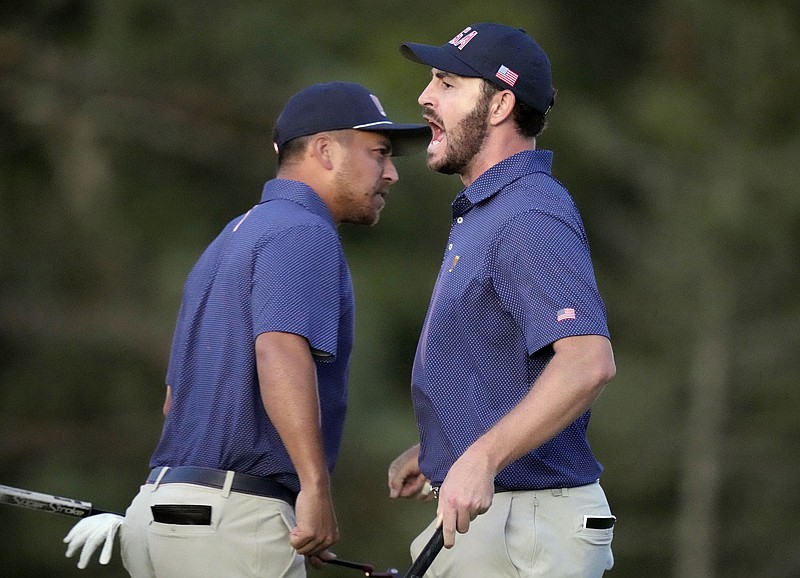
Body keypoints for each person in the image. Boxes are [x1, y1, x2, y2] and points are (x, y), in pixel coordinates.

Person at [62, 81, 430, 578]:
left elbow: (176, 398)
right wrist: (313, 493)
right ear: (325, 150)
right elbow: (278, 352)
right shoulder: (305, 230)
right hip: (230, 519)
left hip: (159, 514)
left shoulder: (236, 234)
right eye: (379, 153)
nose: (390, 173)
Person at [386, 23, 617, 577]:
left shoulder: (528, 214)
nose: (424, 97)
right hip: (507, 520)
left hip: (531, 526)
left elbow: (588, 362)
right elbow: (503, 360)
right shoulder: (492, 209)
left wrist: (481, 457)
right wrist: (444, 445)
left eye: (446, 82)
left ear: (499, 106)